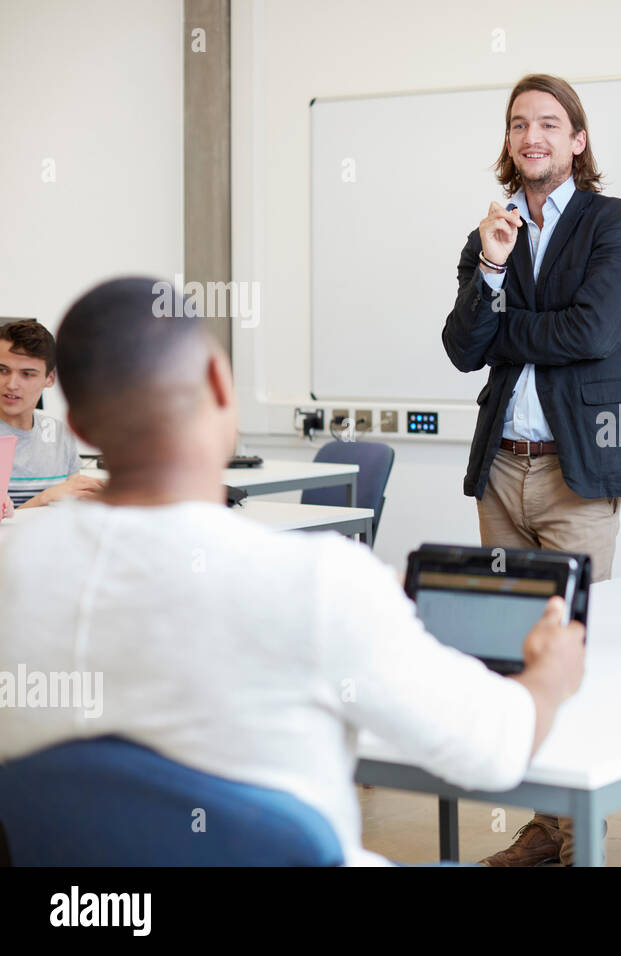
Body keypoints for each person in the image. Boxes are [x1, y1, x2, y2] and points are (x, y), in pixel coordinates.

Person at [0, 278, 586, 866]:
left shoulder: (13, 573)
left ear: (71, 420)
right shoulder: (319, 583)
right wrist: (549, 676)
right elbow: (492, 750)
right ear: (219, 386)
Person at [443, 73, 621, 866]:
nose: (532, 136)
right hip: (502, 465)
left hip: (579, 464)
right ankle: (540, 828)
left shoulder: (614, 225)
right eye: (518, 124)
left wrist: (507, 327)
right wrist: (492, 276)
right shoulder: (489, 236)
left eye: (549, 123)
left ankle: (579, 835)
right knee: (510, 656)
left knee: (573, 656)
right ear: (508, 142)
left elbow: (594, 333)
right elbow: (464, 349)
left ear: (578, 140)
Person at [0, 319, 102, 507]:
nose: (11, 384)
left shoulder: (59, 434)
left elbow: (71, 506)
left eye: (27, 374)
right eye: (2, 370)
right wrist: (43, 499)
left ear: (50, 378)